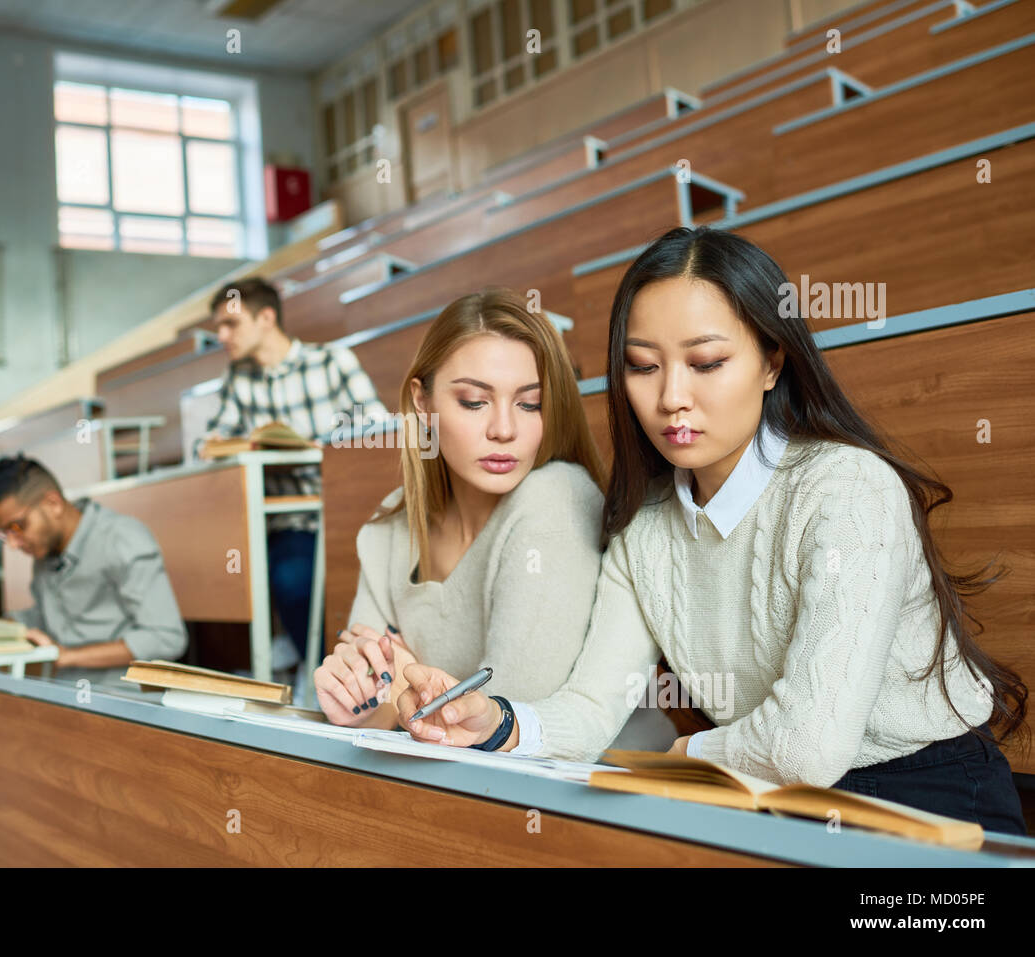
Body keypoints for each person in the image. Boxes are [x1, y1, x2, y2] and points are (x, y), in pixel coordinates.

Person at [396, 227, 1028, 834]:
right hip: (765, 801)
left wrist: (687, 754)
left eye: (706, 362)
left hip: (929, 802)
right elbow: (590, 708)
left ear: (772, 362)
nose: (672, 396)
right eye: (643, 367)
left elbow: (808, 745)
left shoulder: (847, 490)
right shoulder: (644, 530)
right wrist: (494, 721)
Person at [315, 288, 673, 750]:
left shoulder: (555, 498)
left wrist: (401, 672)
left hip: (599, 792)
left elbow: (511, 712)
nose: (504, 429)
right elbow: (381, 705)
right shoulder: (391, 523)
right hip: (459, 790)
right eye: (474, 401)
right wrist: (356, 695)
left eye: (529, 403)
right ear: (422, 404)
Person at [201, 277, 390, 681]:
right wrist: (219, 443)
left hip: (342, 511)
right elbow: (213, 437)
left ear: (266, 318)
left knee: (308, 579)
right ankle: (311, 665)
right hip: (284, 520)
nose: (221, 336)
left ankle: (321, 666)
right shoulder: (239, 379)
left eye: (230, 324)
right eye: (218, 327)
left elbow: (378, 430)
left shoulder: (331, 361)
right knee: (273, 575)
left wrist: (314, 444)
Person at [0, 454, 188, 689]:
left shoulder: (121, 539)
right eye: (5, 533)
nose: (13, 544)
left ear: (53, 504)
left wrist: (66, 656)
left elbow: (166, 637)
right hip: (61, 693)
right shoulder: (45, 551)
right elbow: (53, 619)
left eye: (17, 527)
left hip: (119, 699)